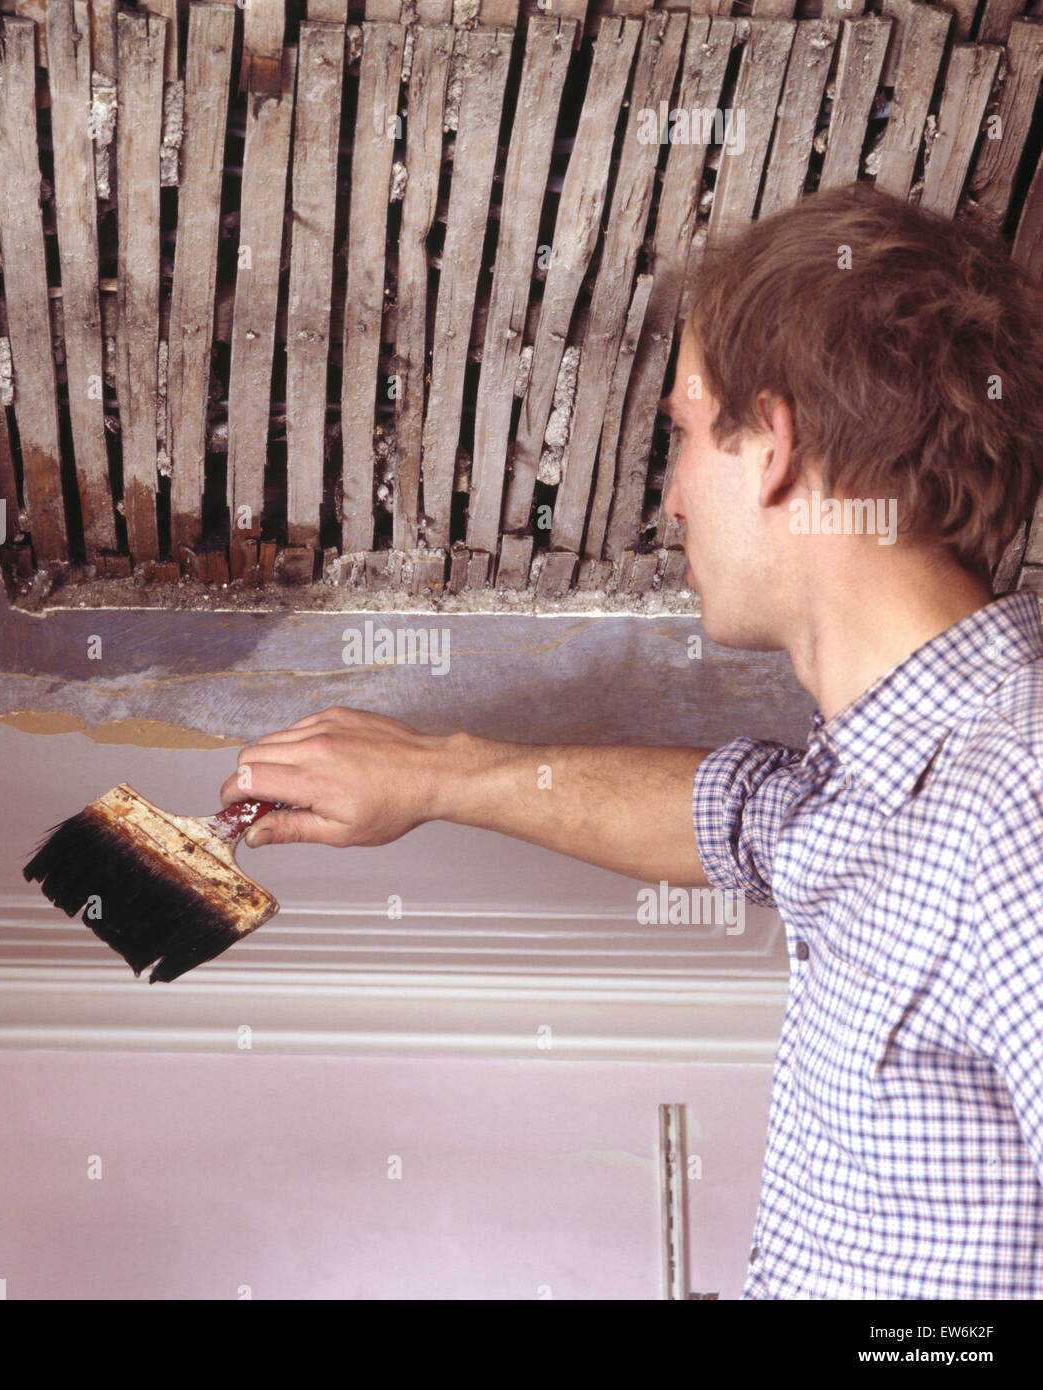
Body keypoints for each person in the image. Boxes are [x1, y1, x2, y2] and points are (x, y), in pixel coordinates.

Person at [220, 182, 1043, 1299]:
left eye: (685, 434)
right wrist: (434, 774)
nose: (670, 502)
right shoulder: (886, 793)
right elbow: (741, 823)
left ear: (774, 448)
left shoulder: (1016, 801)